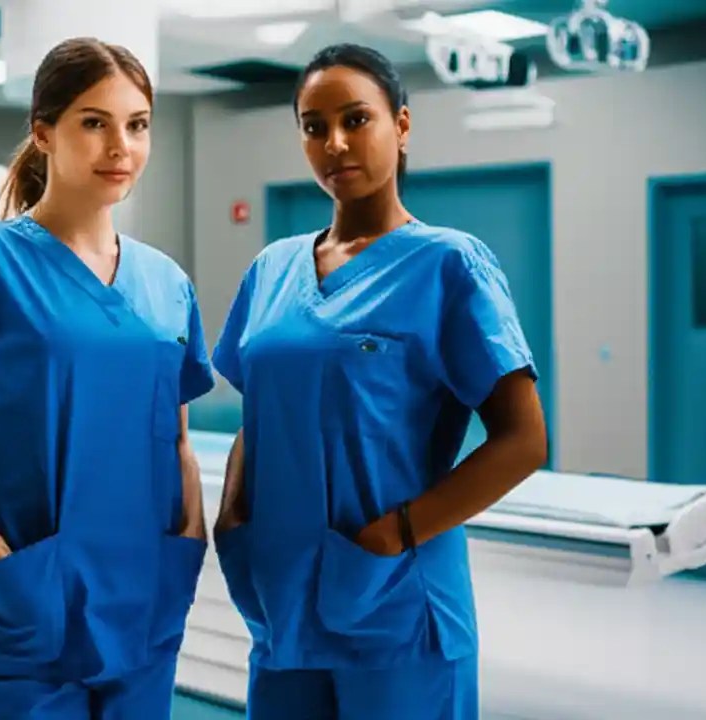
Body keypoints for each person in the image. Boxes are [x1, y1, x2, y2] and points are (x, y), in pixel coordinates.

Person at [0, 37, 216, 720]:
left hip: (145, 600)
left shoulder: (166, 282)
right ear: (44, 132)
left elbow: (176, 442)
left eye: (137, 125)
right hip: (27, 607)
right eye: (94, 122)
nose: (121, 146)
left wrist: (189, 543)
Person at [210, 43, 548, 719]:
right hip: (282, 604)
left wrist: (396, 534)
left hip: (396, 604)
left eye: (356, 119)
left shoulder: (449, 264)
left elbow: (523, 440)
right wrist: (233, 516)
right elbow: (259, 412)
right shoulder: (273, 269)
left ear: (402, 124)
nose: (334, 143)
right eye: (314, 127)